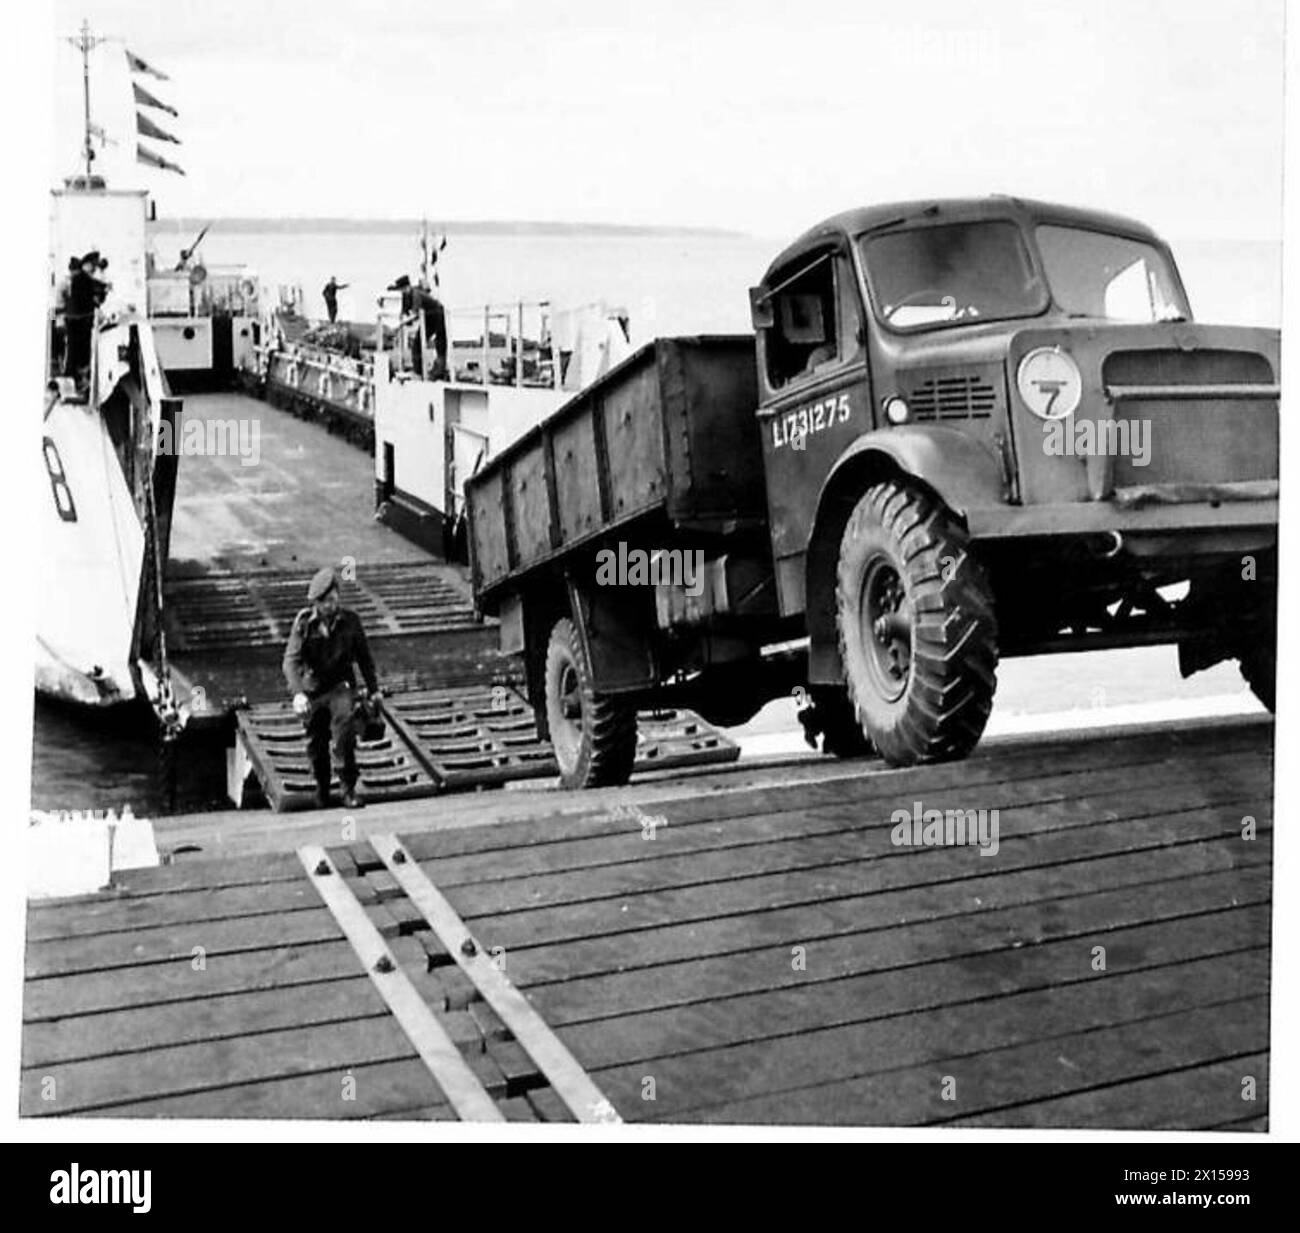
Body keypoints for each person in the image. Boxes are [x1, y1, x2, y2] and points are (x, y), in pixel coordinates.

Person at [282, 567, 381, 808]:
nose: (330, 606)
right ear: (316, 603)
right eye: (325, 602)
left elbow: (365, 658)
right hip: (313, 689)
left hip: (340, 686)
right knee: (316, 742)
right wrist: (298, 694)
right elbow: (290, 661)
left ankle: (348, 790)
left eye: (334, 600)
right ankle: (323, 789)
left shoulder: (350, 622)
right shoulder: (304, 624)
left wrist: (374, 689)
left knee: (344, 732)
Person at [388, 274, 449, 379]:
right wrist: (401, 321)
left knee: (436, 342)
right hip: (426, 317)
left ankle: (428, 371)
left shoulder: (416, 294)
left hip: (436, 314)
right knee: (418, 343)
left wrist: (400, 325)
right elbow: (405, 312)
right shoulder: (406, 295)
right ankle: (420, 370)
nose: (401, 292)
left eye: (402, 289)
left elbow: (415, 314)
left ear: (407, 287)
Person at [64, 251, 110, 387]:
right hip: (71, 318)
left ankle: (77, 377)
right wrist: (55, 320)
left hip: (72, 317)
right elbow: (53, 305)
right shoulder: (70, 281)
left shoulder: (81, 279)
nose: (95, 269)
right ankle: (74, 378)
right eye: (93, 266)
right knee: (75, 351)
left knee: (77, 350)